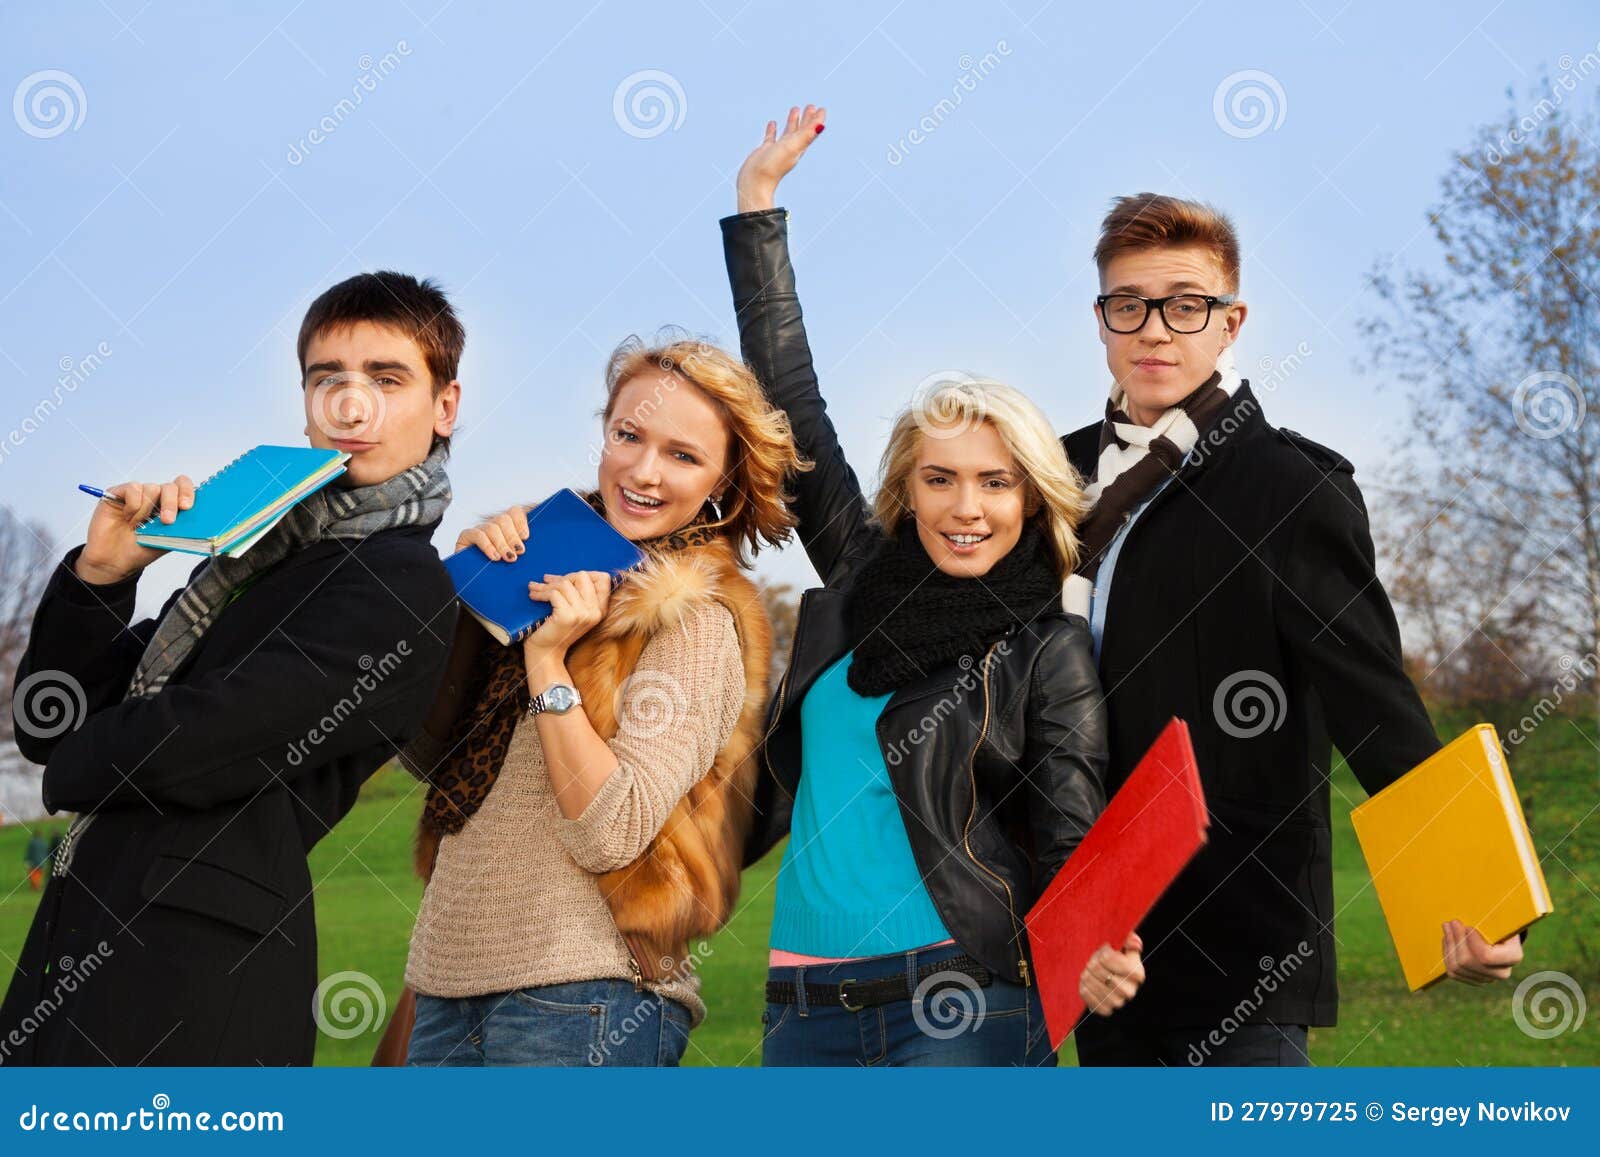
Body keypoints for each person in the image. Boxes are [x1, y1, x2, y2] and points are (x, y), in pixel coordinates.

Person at [1060, 192, 1525, 1066]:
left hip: (1242, 941)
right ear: (1101, 320)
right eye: (1130, 304)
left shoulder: (1287, 488)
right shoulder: (1050, 473)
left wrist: (1481, 894)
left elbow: (1375, 699)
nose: (1156, 329)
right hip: (1094, 939)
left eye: (1186, 304)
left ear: (1231, 322)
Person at [722, 106, 1142, 1067]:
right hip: (800, 997)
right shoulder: (865, 582)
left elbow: (1070, 823)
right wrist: (758, 207)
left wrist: (1096, 942)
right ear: (904, 493)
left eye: (997, 481)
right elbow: (789, 398)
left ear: (1032, 499)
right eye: (940, 478)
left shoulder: (1049, 646)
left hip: (962, 998)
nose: (968, 506)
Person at [0, 271, 462, 1065]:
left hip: (196, 983)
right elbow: (51, 722)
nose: (352, 406)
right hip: (84, 944)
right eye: (329, 379)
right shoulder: (252, 556)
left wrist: (75, 765)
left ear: (444, 405)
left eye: (387, 379)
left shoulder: (403, 581)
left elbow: (212, 736)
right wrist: (105, 575)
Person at [388, 335, 806, 1067]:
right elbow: (423, 752)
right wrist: (465, 595)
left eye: (683, 455)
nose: (643, 471)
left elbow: (610, 833)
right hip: (446, 982)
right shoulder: (549, 561)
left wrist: (547, 661)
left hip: (585, 999)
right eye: (629, 435)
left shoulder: (695, 618)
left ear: (724, 479)